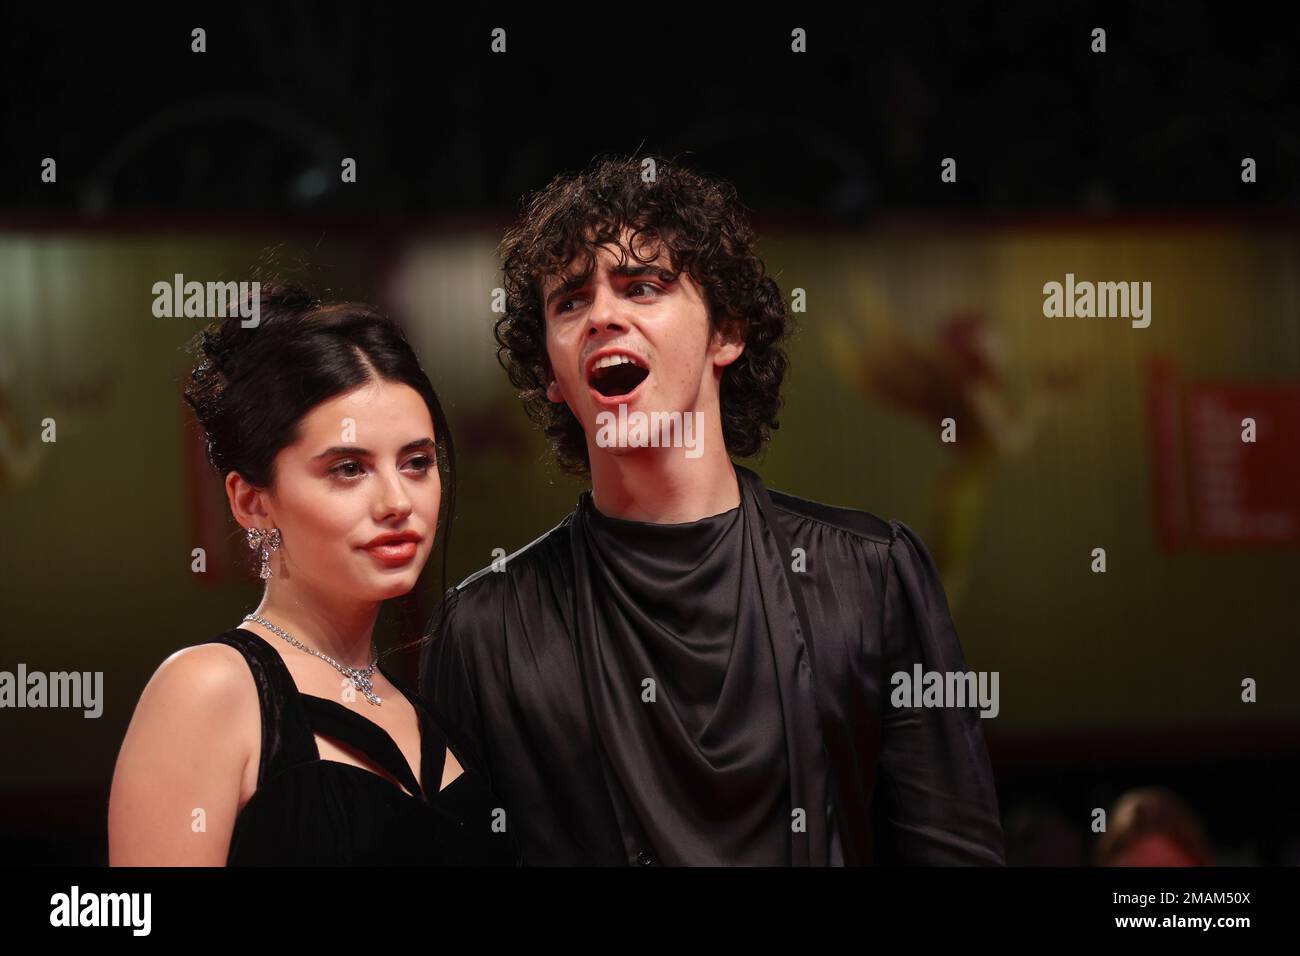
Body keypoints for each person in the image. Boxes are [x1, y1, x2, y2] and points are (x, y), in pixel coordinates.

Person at [419, 155, 1006, 865]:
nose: (603, 314)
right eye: (570, 301)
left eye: (644, 286)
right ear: (550, 374)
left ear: (726, 333)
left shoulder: (871, 576)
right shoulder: (486, 630)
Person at [108, 283, 519, 866]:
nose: (397, 501)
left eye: (417, 463)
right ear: (252, 501)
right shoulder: (210, 689)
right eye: (349, 469)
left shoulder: (431, 716)